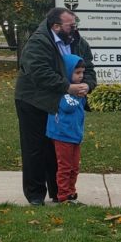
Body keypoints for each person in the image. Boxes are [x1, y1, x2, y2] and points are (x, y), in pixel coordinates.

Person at [14, 6, 96, 205]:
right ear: (56, 26)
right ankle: (35, 195)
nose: (74, 29)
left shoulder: (77, 41)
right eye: (70, 26)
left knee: (58, 148)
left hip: (60, 103)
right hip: (33, 100)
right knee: (35, 148)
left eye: (75, 25)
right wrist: (68, 87)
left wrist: (88, 84)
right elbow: (39, 72)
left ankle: (61, 194)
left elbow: (89, 68)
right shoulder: (38, 42)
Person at [45, 55, 87, 204]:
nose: (81, 76)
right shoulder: (61, 90)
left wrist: (81, 94)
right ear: (67, 71)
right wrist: (78, 94)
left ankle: (71, 191)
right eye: (77, 72)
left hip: (75, 134)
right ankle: (63, 195)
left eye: (82, 72)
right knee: (65, 166)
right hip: (63, 135)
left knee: (74, 166)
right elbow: (67, 106)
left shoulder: (78, 91)